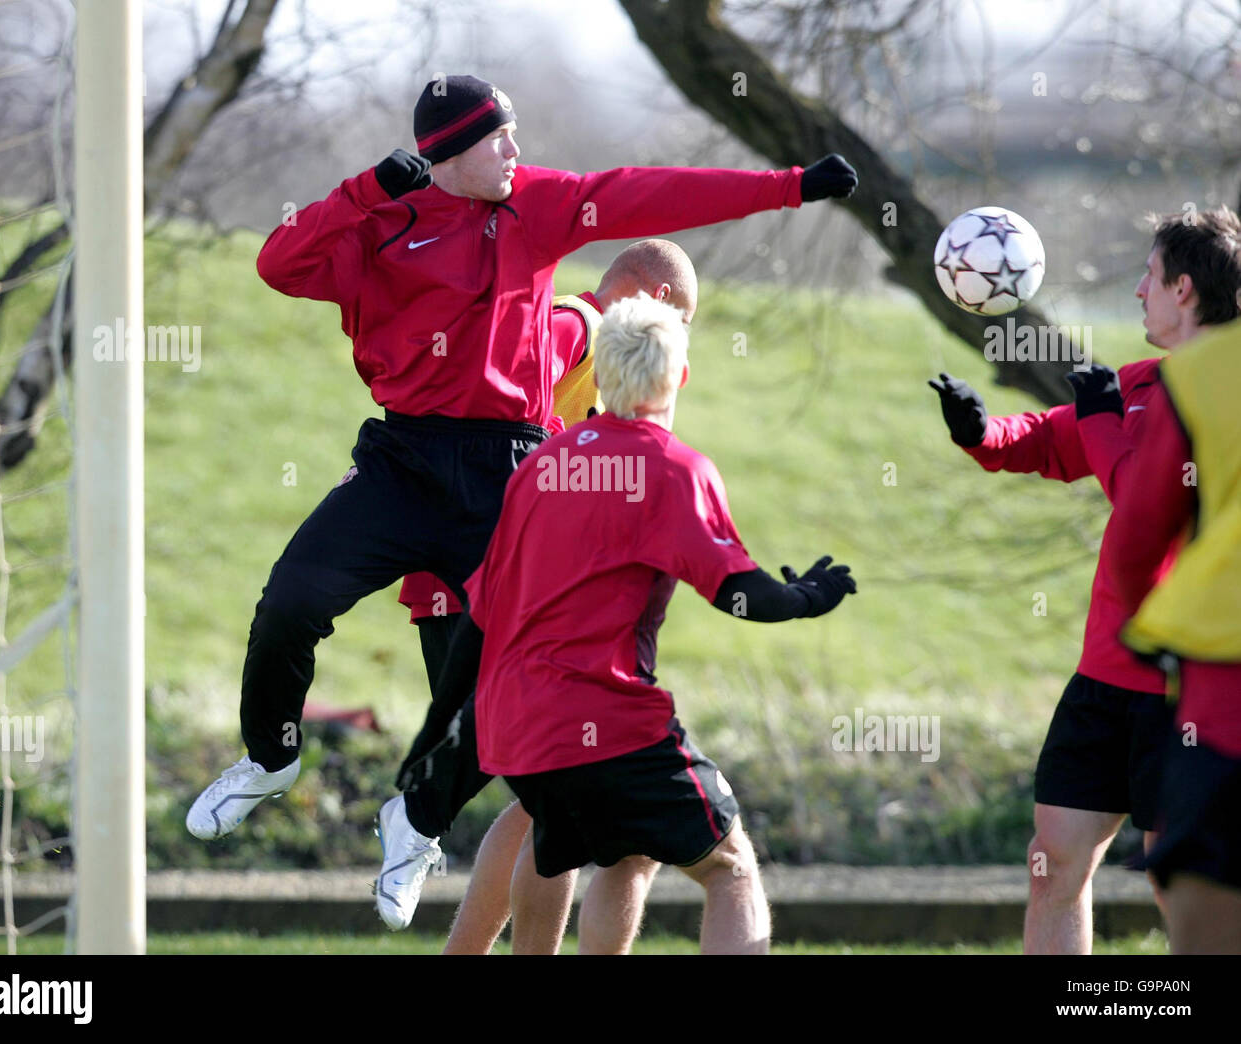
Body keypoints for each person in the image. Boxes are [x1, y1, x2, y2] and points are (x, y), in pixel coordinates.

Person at [185, 72, 858, 844]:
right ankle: (270, 761)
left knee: (505, 686)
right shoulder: (381, 217)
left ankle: (417, 820)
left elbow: (646, 194)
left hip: (505, 473)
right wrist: (364, 191)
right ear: (451, 152)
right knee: (288, 604)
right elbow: (279, 264)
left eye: (515, 132)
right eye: (498, 137)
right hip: (401, 458)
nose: (516, 149)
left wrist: (790, 187)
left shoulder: (533, 203)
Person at [410, 293, 857, 953]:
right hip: (610, 717)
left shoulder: (539, 467)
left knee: (612, 849)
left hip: (521, 725)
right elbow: (738, 594)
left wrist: (441, 732)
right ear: (679, 375)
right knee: (729, 868)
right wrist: (806, 597)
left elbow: (483, 612)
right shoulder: (675, 467)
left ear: (602, 370)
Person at [928, 206, 1241, 954]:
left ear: (1186, 290)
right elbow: (1053, 439)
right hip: (1104, 676)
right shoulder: (1137, 383)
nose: (1139, 291)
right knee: (1053, 865)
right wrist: (982, 432)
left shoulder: (1222, 398)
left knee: (1185, 894)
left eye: (1150, 274)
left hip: (1186, 686)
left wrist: (1102, 424)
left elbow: (1147, 505)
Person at [392, 241, 697, 949]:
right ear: (651, 299)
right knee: (559, 802)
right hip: (490, 589)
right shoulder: (577, 327)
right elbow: (503, 408)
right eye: (682, 317)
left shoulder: (611, 365)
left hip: (491, 590)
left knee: (543, 799)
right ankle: (416, 835)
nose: (683, 340)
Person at [1103, 314, 1241, 954]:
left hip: (1223, 696)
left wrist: (1152, 627)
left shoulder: (1197, 373)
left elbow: (1137, 539)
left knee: (1207, 925)